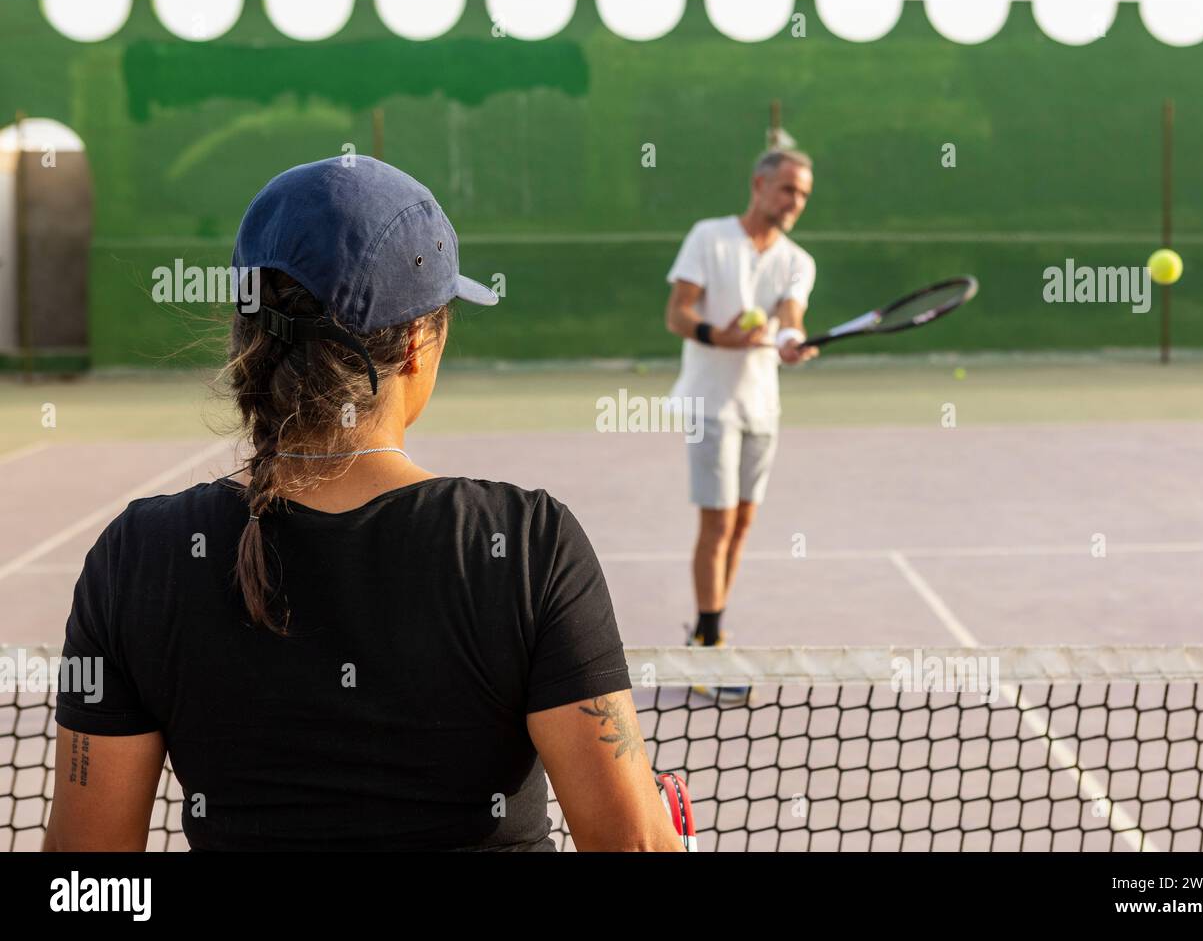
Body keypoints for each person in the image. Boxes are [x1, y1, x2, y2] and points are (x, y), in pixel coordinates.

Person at [43, 156, 683, 851]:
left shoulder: (140, 555)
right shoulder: (527, 545)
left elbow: (86, 879)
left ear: (246, 333)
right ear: (415, 342)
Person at [663, 149, 820, 689]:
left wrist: (792, 343)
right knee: (719, 524)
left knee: (744, 524)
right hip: (709, 405)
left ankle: (710, 634)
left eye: (802, 193)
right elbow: (678, 312)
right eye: (787, 189)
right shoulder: (709, 236)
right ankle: (708, 646)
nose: (794, 201)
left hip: (762, 408)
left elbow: (790, 319)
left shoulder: (799, 261)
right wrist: (719, 336)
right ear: (758, 184)